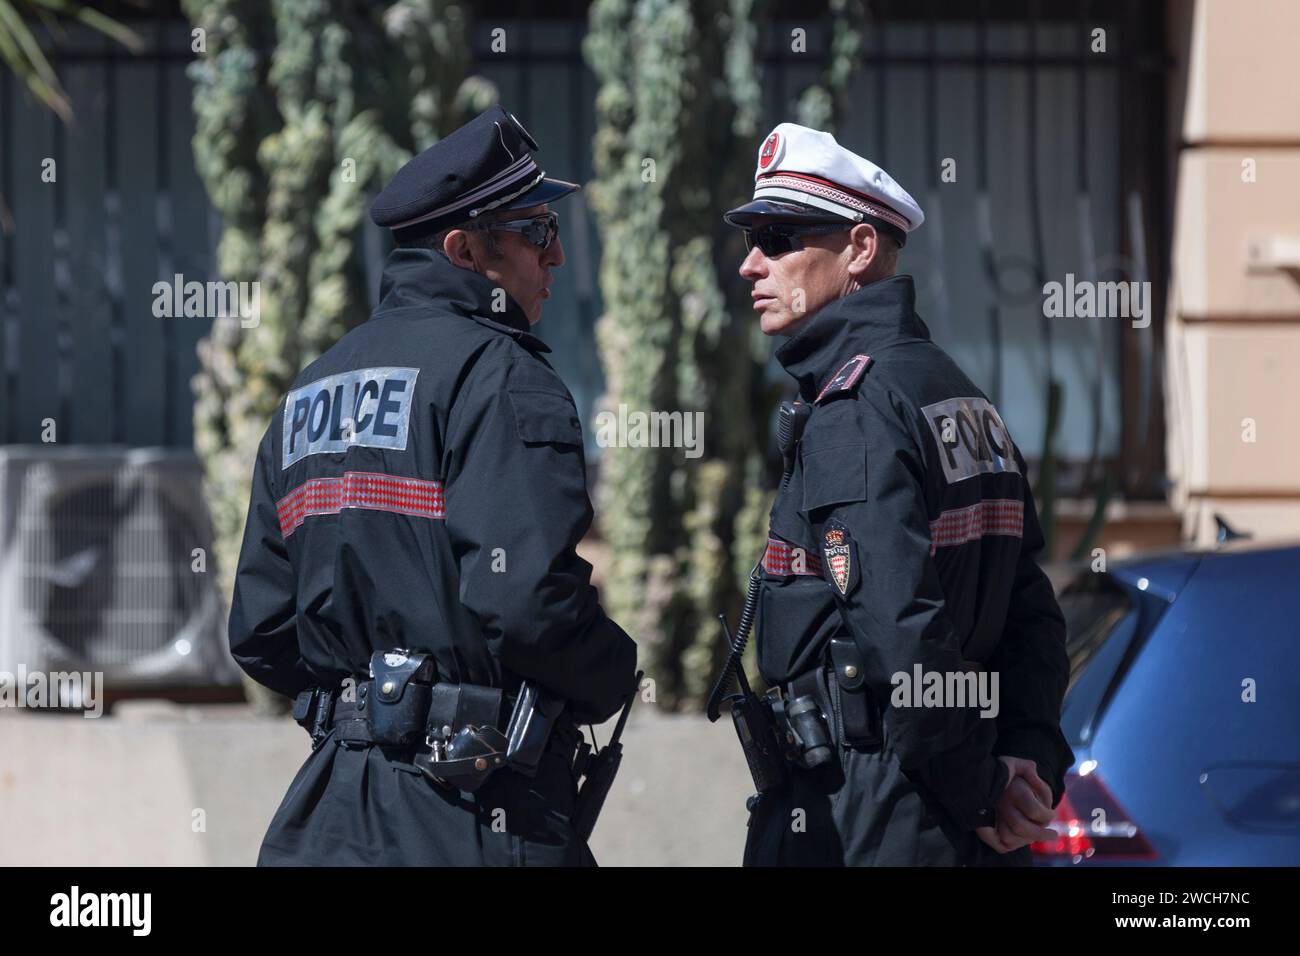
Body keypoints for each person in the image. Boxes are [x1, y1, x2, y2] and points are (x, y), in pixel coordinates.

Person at [228, 105, 638, 866]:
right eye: (537, 231)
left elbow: (260, 630)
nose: (555, 258)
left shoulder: (313, 389)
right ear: (465, 249)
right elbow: (526, 608)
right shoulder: (503, 375)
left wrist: (364, 704)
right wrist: (613, 669)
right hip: (473, 814)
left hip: (327, 817)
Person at [722, 122, 1075, 866]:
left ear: (858, 248)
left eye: (780, 237)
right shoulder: (958, 391)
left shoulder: (856, 406)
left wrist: (981, 790)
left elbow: (902, 628)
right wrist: (1023, 763)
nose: (752, 265)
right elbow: (1034, 614)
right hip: (946, 807)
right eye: (751, 239)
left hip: (875, 809)